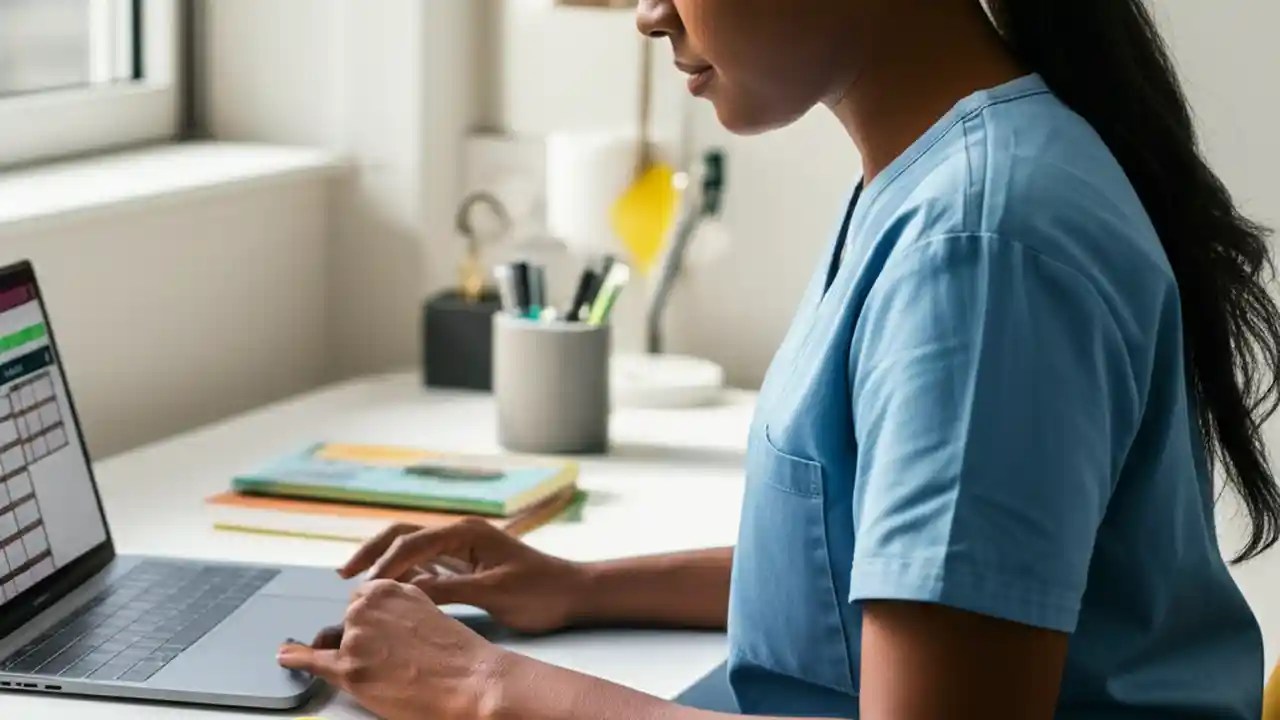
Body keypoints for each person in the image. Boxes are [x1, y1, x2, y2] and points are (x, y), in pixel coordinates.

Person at [278, 0, 1280, 718]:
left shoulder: (976, 248)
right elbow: (878, 570)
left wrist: (480, 685)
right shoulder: (935, 180)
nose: (646, 13)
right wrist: (582, 587)